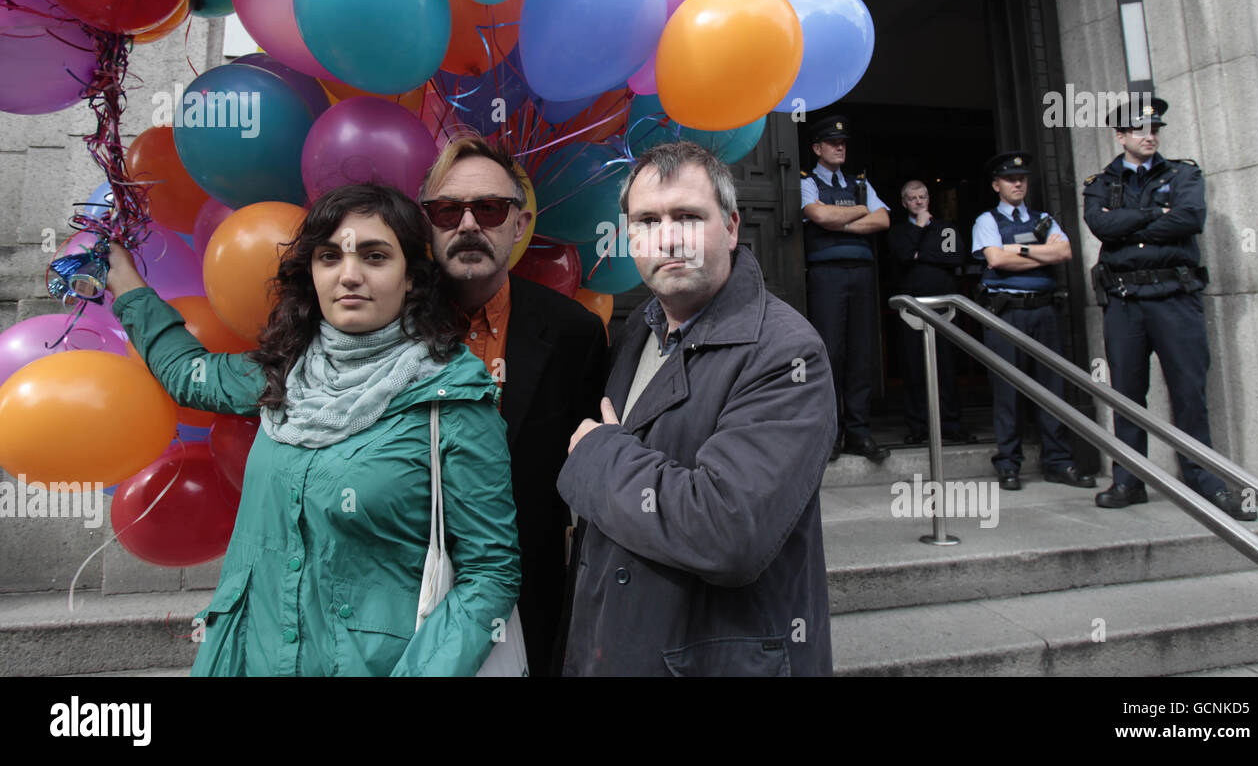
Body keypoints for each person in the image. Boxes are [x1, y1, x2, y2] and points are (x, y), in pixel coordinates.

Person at [105, 184, 521, 676]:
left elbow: (490, 574)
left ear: (410, 277)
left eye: (375, 256)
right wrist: (126, 283)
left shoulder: (450, 399)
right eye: (329, 257)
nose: (349, 276)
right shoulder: (282, 375)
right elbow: (185, 374)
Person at [558, 141, 835, 676]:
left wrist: (597, 457)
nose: (668, 237)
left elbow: (727, 531)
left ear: (731, 228)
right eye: (646, 221)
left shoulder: (786, 352)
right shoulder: (638, 330)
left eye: (688, 216)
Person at [420, 135, 608, 676]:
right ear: (428, 222)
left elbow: (590, 486)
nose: (469, 224)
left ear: (520, 225)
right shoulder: (390, 328)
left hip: (530, 597)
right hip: (402, 594)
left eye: (491, 208)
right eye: (448, 209)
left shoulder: (576, 335)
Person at [1083, 98, 1256, 519]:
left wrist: (1130, 220)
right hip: (1125, 302)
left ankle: (1205, 479)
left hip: (1175, 298)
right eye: (1139, 130)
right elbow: (1099, 225)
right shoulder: (1100, 182)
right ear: (1120, 136)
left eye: (1155, 129)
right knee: (1126, 394)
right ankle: (1129, 479)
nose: (1150, 135)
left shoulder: (1184, 173)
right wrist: (1155, 213)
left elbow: (1189, 218)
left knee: (1189, 392)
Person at [971, 152, 1095, 491]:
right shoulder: (987, 220)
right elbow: (995, 260)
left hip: (1044, 311)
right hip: (1006, 312)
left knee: (1051, 388)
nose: (1017, 183)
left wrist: (1018, 252)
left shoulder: (1043, 219)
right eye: (1010, 179)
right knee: (1006, 389)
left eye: (1022, 178)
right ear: (997, 185)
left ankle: (1058, 461)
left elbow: (1065, 253)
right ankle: (1009, 464)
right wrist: (1038, 253)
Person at [800, 113, 890, 462]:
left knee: (860, 352)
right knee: (831, 351)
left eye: (843, 143)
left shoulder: (861, 183)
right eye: (832, 143)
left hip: (862, 274)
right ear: (817, 148)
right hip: (828, 276)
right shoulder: (807, 181)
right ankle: (832, 433)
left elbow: (882, 219)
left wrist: (843, 224)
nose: (840, 147)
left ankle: (859, 432)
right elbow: (818, 216)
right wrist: (859, 215)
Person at [887, 179, 975, 444]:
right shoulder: (899, 231)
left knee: (946, 367)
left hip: (944, 307)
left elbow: (955, 257)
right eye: (912, 198)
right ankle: (918, 426)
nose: (918, 202)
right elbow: (903, 254)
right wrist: (920, 230)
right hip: (911, 309)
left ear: (929, 199)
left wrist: (920, 254)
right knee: (914, 369)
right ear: (904, 203)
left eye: (922, 197)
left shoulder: (945, 228)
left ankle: (951, 423)